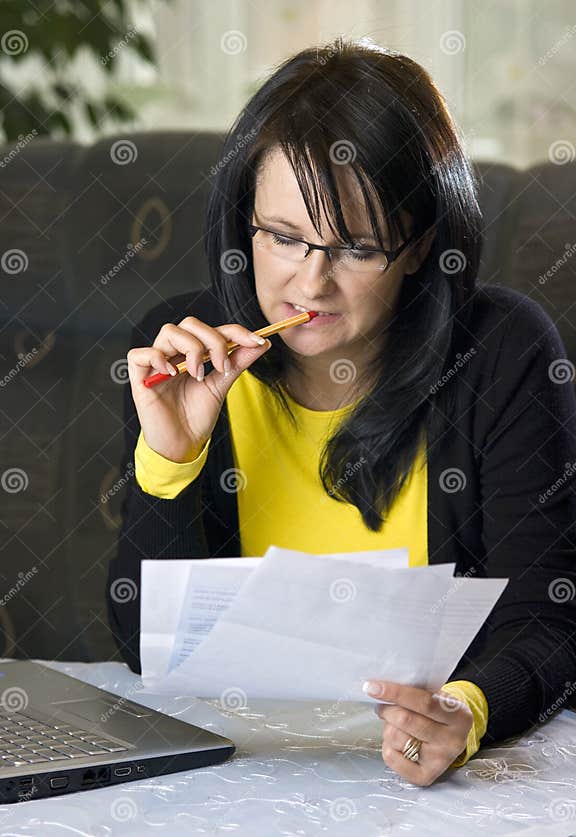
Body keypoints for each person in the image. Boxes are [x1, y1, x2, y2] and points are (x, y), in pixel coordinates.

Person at [107, 37, 576, 786]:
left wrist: (466, 709)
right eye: (285, 238)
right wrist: (172, 457)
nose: (310, 283)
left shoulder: (503, 353)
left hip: (424, 780)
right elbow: (148, 647)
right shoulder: (183, 357)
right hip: (247, 771)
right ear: (244, 223)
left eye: (357, 247)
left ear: (421, 247)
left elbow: (549, 618)